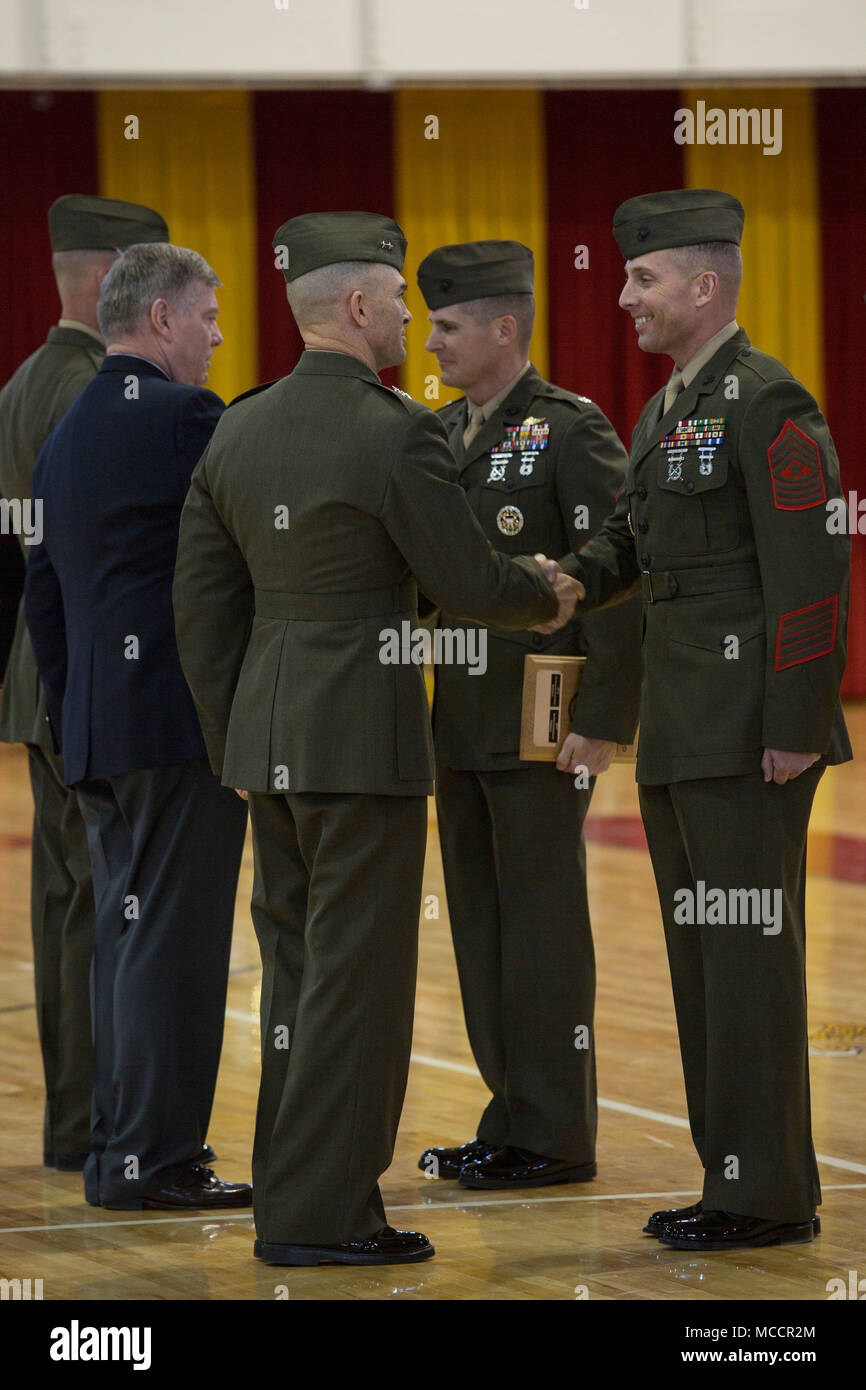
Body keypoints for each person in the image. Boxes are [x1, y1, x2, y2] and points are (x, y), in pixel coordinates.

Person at [172, 210, 581, 1266]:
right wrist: (542, 595)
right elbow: (462, 579)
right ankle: (324, 1216)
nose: (409, 316)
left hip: (271, 738)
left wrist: (240, 733)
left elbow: (201, 609)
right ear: (357, 306)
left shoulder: (236, 424)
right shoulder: (397, 427)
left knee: (297, 975)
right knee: (357, 983)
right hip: (362, 742)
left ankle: (289, 1191)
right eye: (399, 298)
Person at [561, 187, 851, 1250]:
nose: (624, 295)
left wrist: (793, 721)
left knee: (743, 964)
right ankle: (730, 1177)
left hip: (745, 737)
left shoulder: (766, 400)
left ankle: (763, 1191)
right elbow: (632, 552)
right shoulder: (664, 406)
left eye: (640, 277)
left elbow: (811, 575)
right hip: (685, 728)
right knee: (700, 962)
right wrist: (554, 582)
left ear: (700, 282)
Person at [25, 242, 250, 1211]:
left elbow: (44, 597)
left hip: (92, 728)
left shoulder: (63, 434)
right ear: (159, 318)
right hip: (173, 726)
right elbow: (241, 552)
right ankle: (154, 1161)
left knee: (122, 938)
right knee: (174, 945)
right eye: (205, 317)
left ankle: (116, 1145)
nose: (215, 335)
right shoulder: (183, 417)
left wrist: (76, 711)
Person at [414, 240, 641, 1189]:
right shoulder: (440, 432)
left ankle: (553, 1135)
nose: (432, 343)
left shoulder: (569, 428)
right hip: (460, 721)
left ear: (506, 328)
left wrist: (608, 717)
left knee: (540, 927)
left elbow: (625, 572)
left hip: (545, 723)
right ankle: (510, 1114)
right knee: (479, 921)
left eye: (450, 326)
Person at [0, 195, 169, 1172]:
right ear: (109, 274)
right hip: (89, 672)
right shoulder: (93, 389)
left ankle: (77, 1124)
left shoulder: (25, 380)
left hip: (38, 669)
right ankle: (102, 1120)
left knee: (66, 900)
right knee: (104, 903)